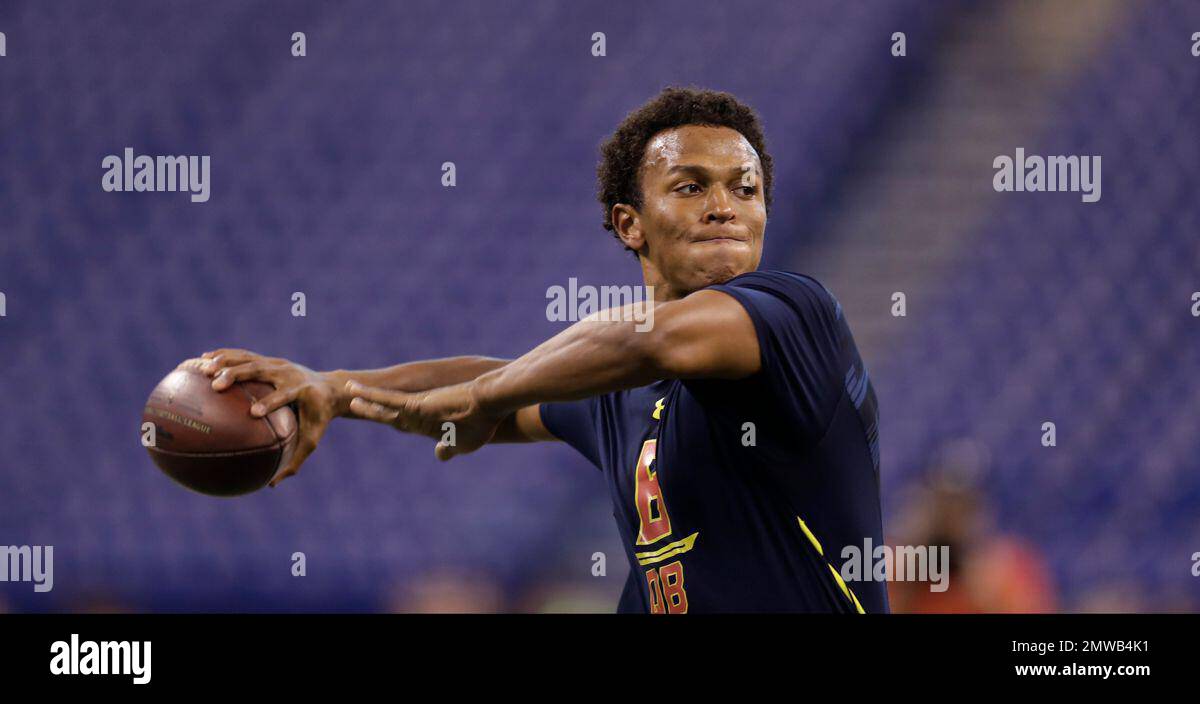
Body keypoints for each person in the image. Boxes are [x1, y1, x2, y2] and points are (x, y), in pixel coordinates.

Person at [193, 87, 886, 613]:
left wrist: (484, 398)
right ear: (630, 224)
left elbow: (649, 340)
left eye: (746, 188)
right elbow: (500, 382)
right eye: (689, 186)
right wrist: (336, 389)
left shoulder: (795, 316)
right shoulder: (615, 387)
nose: (724, 206)